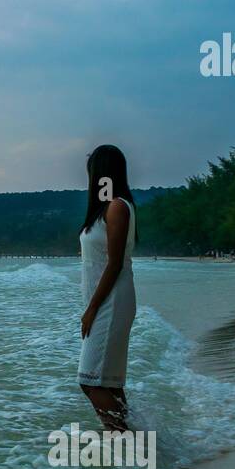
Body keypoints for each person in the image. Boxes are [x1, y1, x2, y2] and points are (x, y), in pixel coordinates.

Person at [77, 145, 137, 431]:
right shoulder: (106, 209)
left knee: (90, 382)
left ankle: (123, 439)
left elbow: (114, 265)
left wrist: (91, 310)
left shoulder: (117, 207)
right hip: (106, 301)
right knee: (109, 382)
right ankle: (133, 443)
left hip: (111, 302)